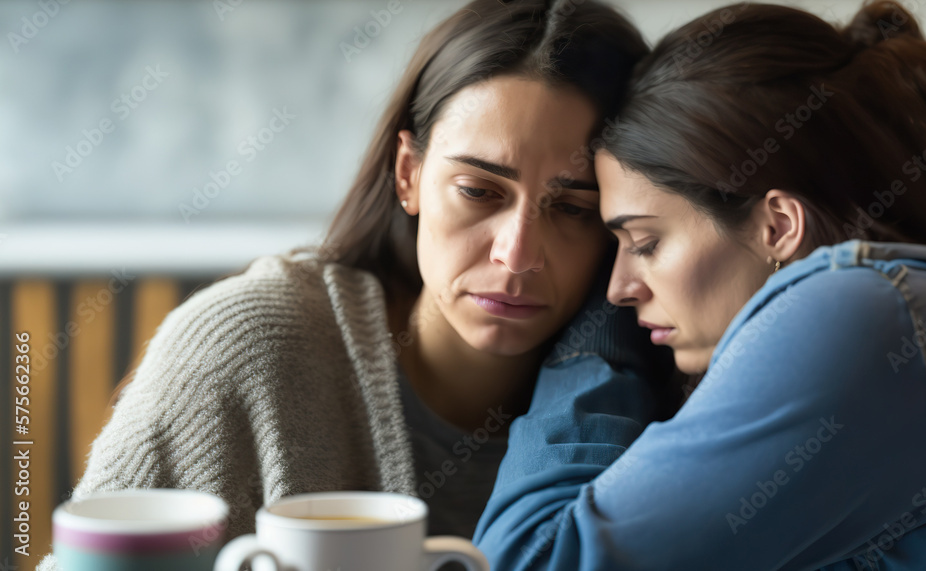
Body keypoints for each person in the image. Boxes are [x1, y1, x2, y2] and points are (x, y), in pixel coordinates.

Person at [37, 1, 675, 569]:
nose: (516, 256)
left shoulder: (656, 392)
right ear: (409, 174)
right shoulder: (248, 345)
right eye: (479, 191)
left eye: (573, 209)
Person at [474, 2, 926, 569]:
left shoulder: (859, 314)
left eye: (646, 244)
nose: (618, 290)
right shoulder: (916, 309)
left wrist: (592, 346)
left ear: (778, 225)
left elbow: (529, 559)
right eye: (612, 250)